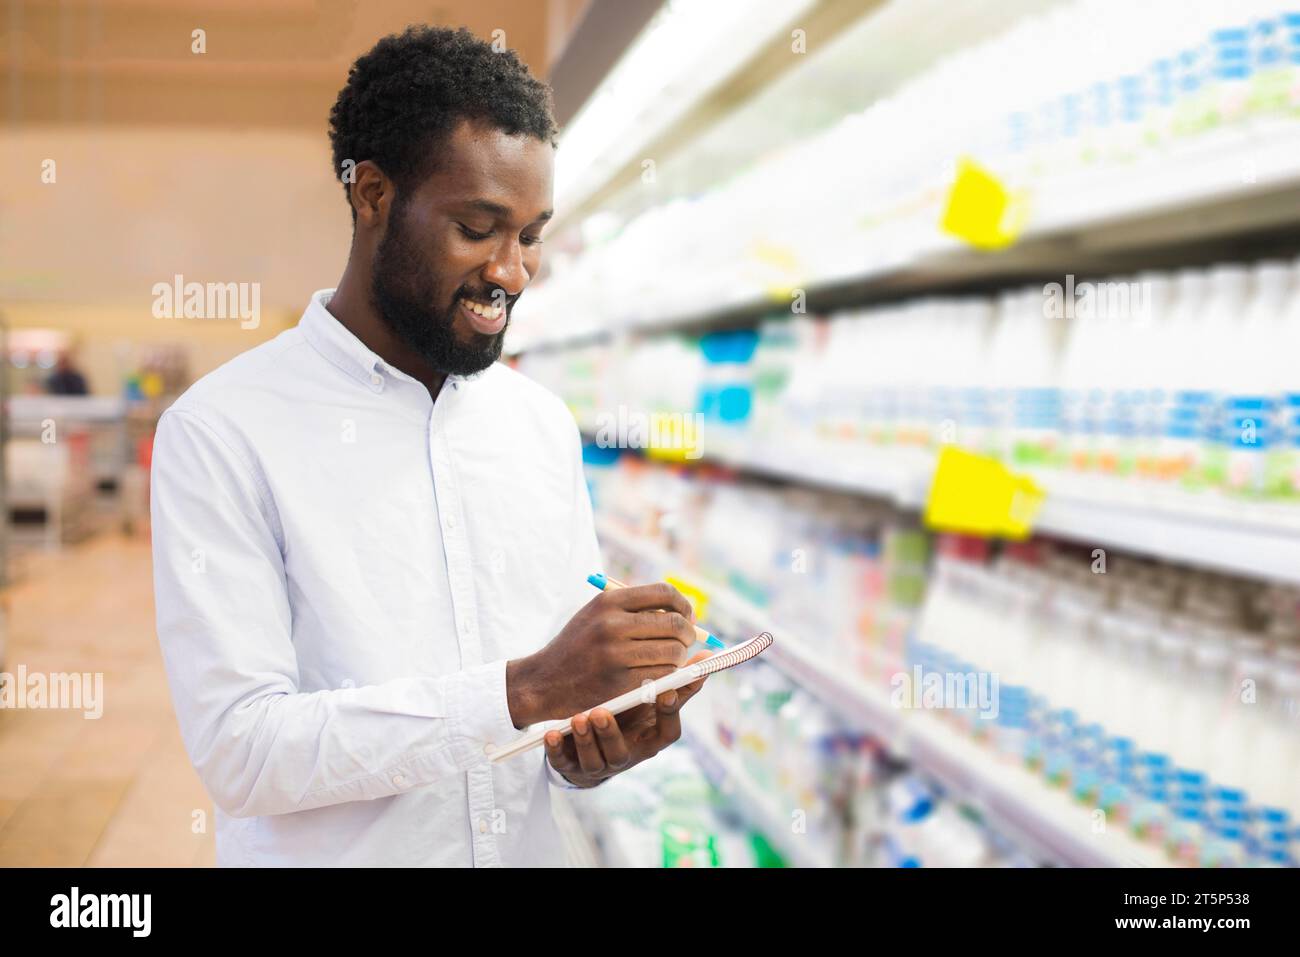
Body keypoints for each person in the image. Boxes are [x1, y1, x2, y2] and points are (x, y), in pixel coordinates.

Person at [150, 26, 709, 867]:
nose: (512, 271)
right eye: (479, 227)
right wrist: (525, 689)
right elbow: (243, 751)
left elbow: (542, 723)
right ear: (372, 194)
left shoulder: (538, 426)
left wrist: (597, 737)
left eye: (529, 234)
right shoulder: (223, 431)